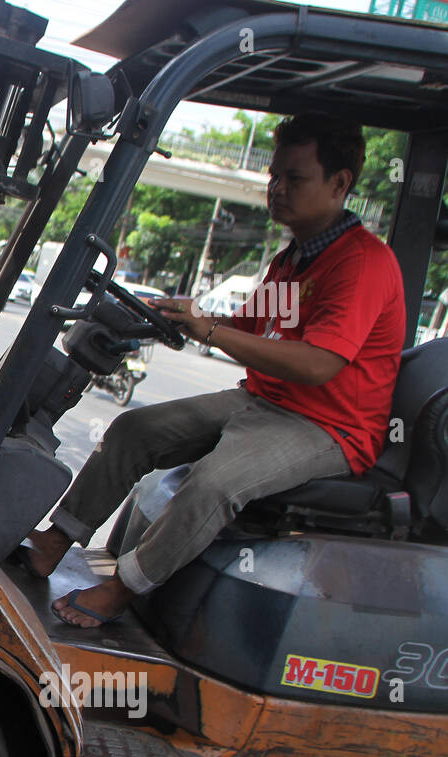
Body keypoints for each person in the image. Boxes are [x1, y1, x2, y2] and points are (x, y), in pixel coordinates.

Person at [24, 113, 405, 627]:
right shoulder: (294, 260)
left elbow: (319, 363)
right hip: (265, 401)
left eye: (295, 179)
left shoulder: (363, 263)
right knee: (133, 429)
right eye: (274, 177)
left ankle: (122, 590)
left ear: (340, 184)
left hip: (330, 427)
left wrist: (210, 331)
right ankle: (57, 537)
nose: (278, 189)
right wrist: (182, 315)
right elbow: (245, 328)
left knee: (212, 484)